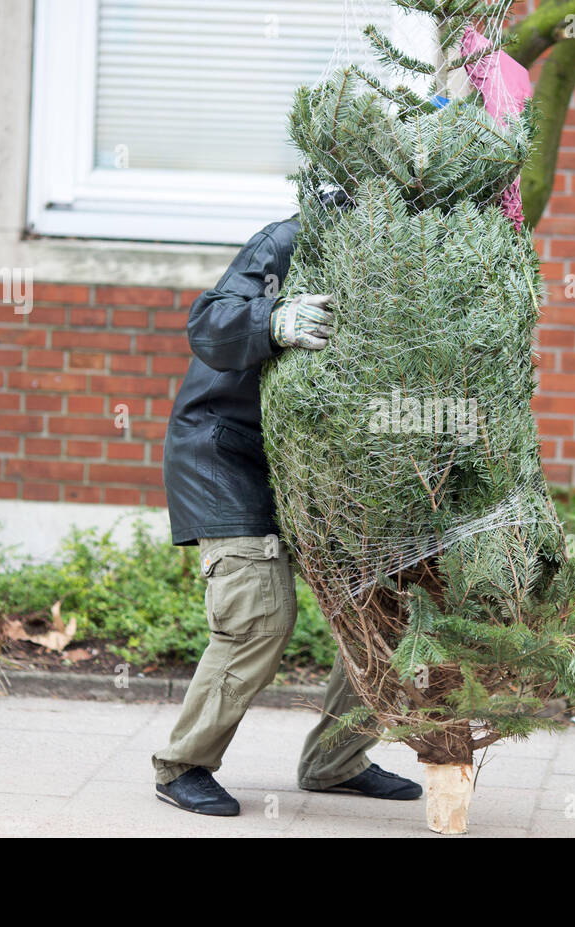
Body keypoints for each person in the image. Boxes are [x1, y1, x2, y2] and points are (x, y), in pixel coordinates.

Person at [152, 194, 422, 816]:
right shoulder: (291, 240)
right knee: (260, 616)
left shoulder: (415, 267)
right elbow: (207, 322)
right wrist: (274, 320)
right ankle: (181, 766)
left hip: (320, 467)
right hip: (228, 453)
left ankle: (335, 760)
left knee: (383, 608)